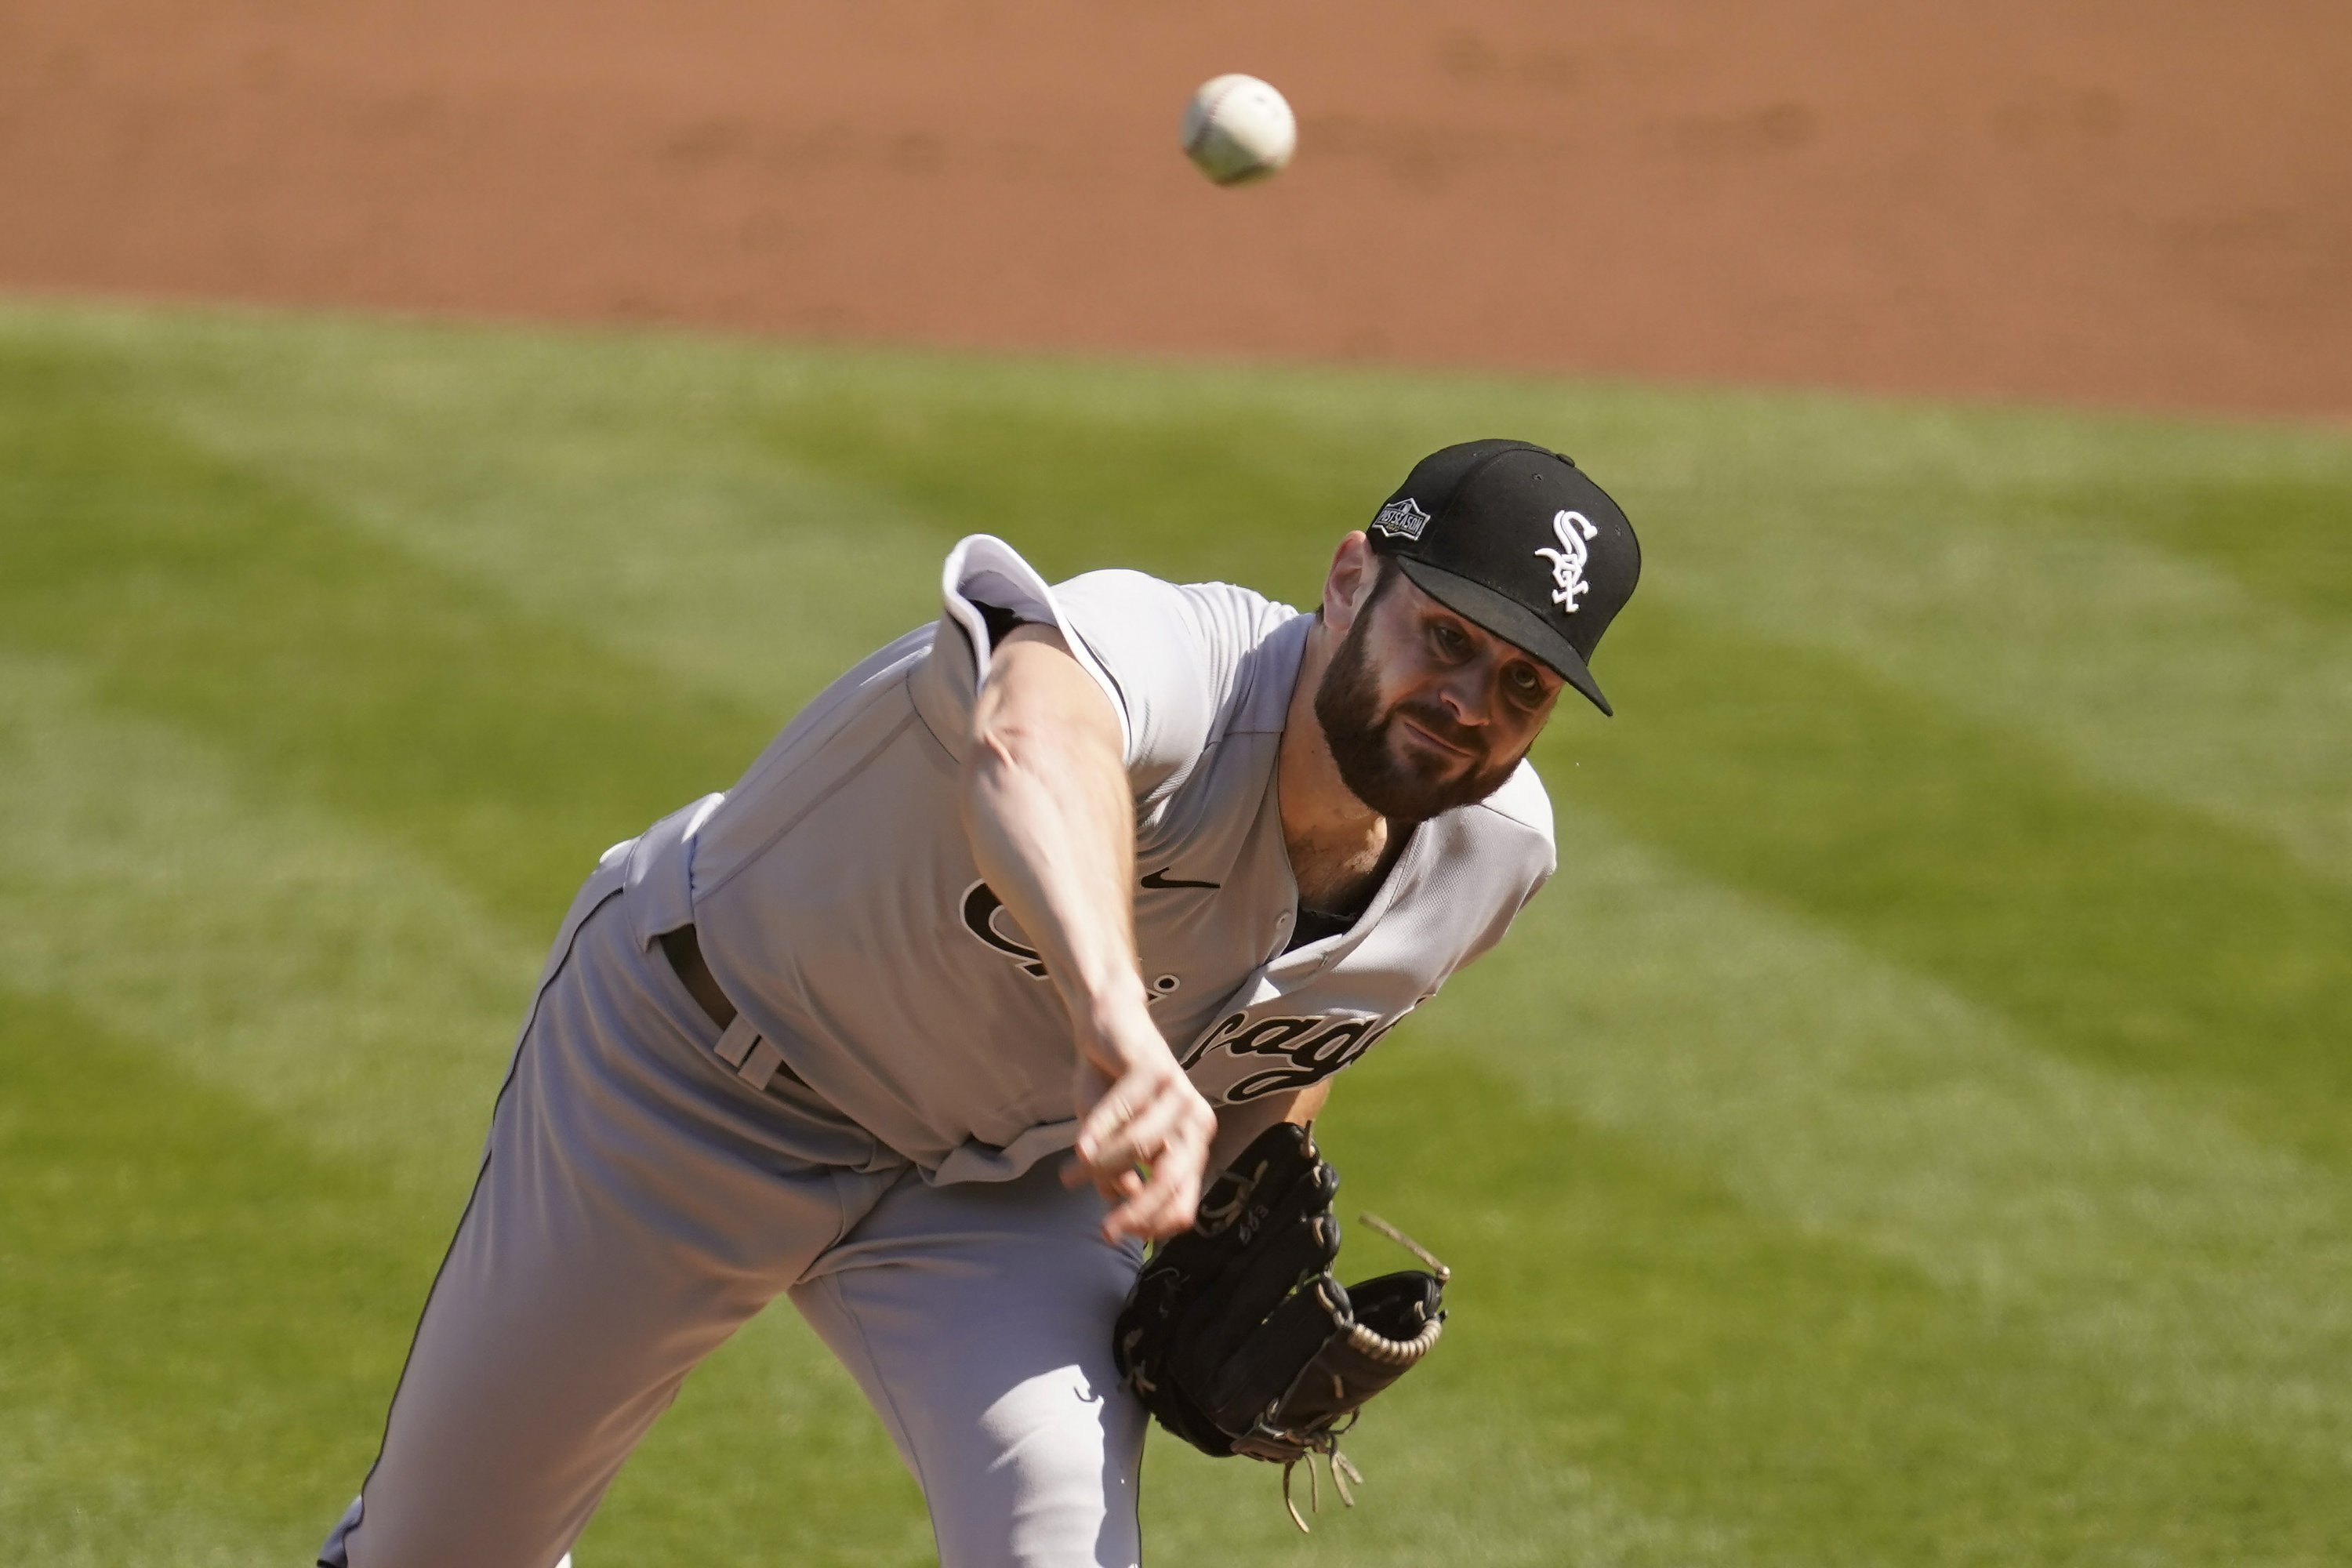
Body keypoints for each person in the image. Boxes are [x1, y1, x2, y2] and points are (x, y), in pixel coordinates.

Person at [318, 437, 1642, 1568]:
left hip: (1000, 1189)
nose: (1467, 702)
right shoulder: (1176, 662)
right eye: (1446, 639)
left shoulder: (1490, 857)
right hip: (695, 1081)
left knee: (1057, 1539)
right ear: (1351, 581)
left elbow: (1304, 1027)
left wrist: (1233, 1208)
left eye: (1523, 684)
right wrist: (1116, 1021)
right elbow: (1031, 738)